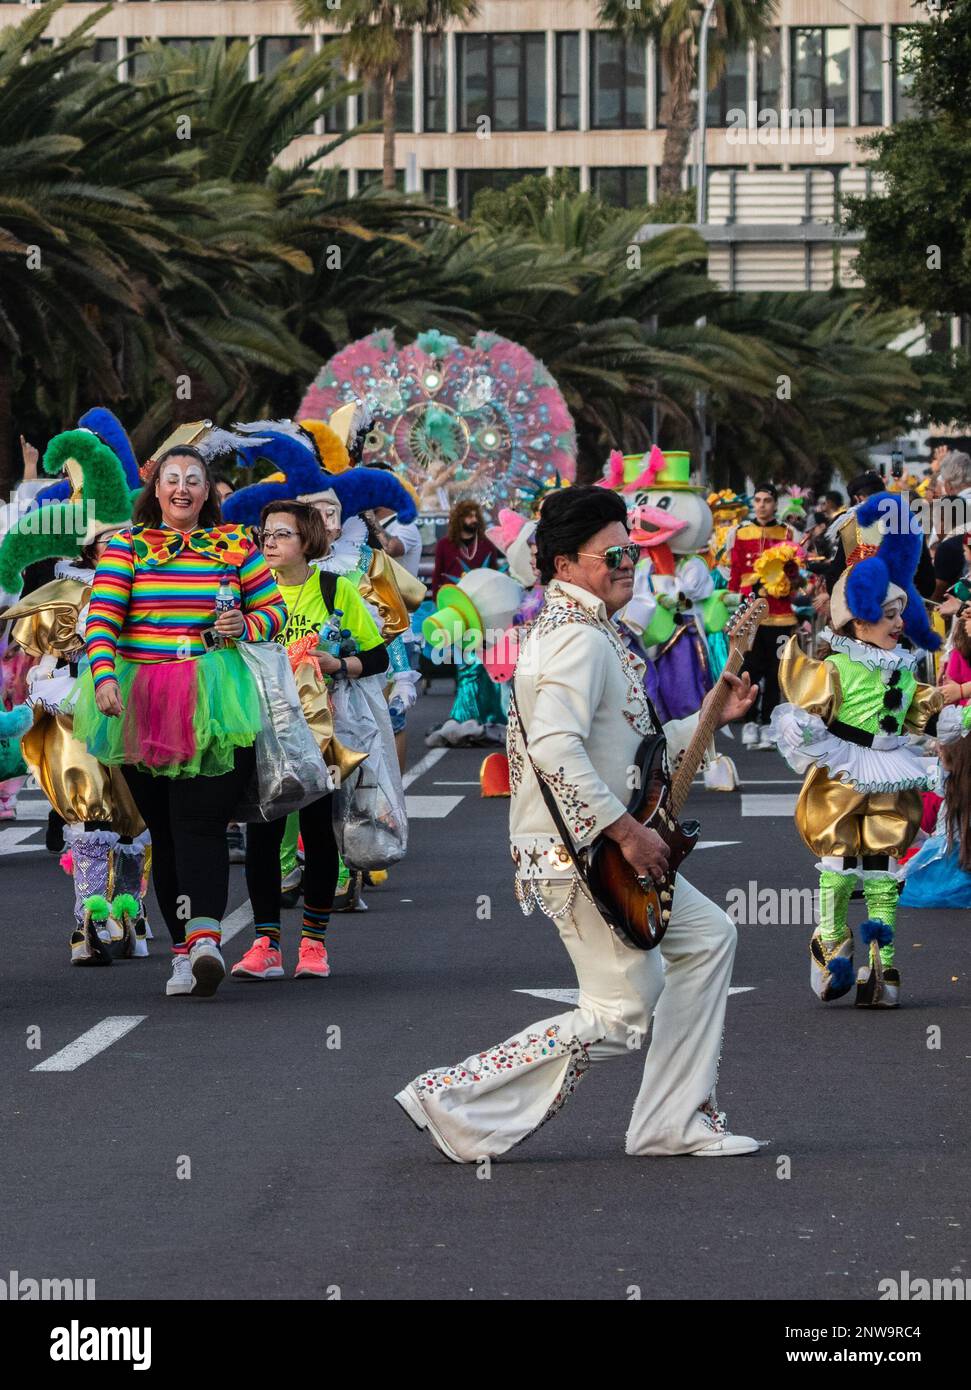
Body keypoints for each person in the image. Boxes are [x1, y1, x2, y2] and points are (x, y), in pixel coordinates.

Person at [395, 485, 763, 1163]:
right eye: (614, 553)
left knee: (708, 939)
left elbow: (630, 755)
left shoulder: (594, 632)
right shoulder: (575, 638)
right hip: (584, 852)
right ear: (564, 565)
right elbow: (555, 749)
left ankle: (672, 1120)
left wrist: (712, 715)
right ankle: (453, 1096)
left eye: (633, 552)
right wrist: (627, 831)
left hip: (597, 846)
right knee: (620, 1014)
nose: (629, 563)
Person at [72, 446, 287, 998]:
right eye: (173, 479)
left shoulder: (235, 544)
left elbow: (275, 613)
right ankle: (182, 953)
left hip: (215, 697)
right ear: (157, 490)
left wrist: (246, 623)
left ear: (209, 490)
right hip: (139, 698)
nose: (183, 488)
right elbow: (101, 619)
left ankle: (207, 939)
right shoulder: (127, 545)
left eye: (194, 479)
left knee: (201, 824)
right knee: (165, 834)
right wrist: (103, 677)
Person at [770, 492, 954, 1010]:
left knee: (883, 860)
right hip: (847, 766)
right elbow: (810, 707)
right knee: (839, 857)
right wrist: (806, 730)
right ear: (858, 619)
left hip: (893, 767)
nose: (899, 623)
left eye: (903, 612)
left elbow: (920, 708)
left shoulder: (902, 666)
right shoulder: (835, 666)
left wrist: (946, 716)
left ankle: (882, 961)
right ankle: (831, 941)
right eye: (888, 613)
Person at [233, 502, 388, 981]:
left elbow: (378, 657)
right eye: (265, 534)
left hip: (322, 732)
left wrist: (336, 664)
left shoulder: (334, 588)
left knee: (318, 833)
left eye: (282, 534)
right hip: (261, 730)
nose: (270, 542)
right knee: (261, 832)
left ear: (308, 542)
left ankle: (314, 944)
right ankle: (265, 945)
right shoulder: (246, 592)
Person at [727, 483, 797, 749]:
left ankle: (769, 723)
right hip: (751, 613)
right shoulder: (741, 532)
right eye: (758, 500)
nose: (762, 505)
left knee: (776, 672)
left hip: (781, 615)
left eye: (767, 500)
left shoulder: (787, 533)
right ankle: (750, 723)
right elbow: (735, 574)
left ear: (775, 504)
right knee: (750, 669)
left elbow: (795, 573)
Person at [431, 498, 503, 598]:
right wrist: (436, 599)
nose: (475, 520)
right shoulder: (443, 544)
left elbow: (494, 575)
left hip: (480, 600)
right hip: (452, 599)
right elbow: (437, 575)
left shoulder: (487, 545)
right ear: (459, 519)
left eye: (476, 516)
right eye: (470, 516)